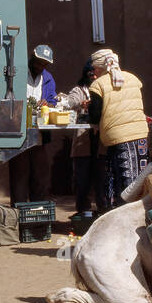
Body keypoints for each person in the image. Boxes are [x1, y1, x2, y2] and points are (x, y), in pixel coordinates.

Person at [86, 48, 149, 208]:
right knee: (140, 179)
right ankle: (142, 213)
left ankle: (121, 214)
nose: (93, 71)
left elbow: (95, 116)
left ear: (99, 67)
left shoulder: (97, 84)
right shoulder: (133, 79)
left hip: (117, 137)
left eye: (94, 68)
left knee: (123, 182)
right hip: (141, 134)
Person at [55, 61, 106, 219]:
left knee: (101, 178)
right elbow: (68, 103)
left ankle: (103, 210)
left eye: (95, 73)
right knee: (82, 179)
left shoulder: (105, 88)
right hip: (83, 141)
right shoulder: (79, 90)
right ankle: (83, 211)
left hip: (101, 139)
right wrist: (81, 104)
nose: (93, 76)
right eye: (90, 73)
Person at [10, 44, 59, 204]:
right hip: (19, 131)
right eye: (38, 63)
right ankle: (19, 210)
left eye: (44, 64)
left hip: (39, 134)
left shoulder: (48, 77)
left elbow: (53, 100)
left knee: (39, 173)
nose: (40, 67)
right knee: (20, 173)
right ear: (32, 58)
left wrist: (48, 104)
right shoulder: (18, 72)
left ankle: (37, 210)